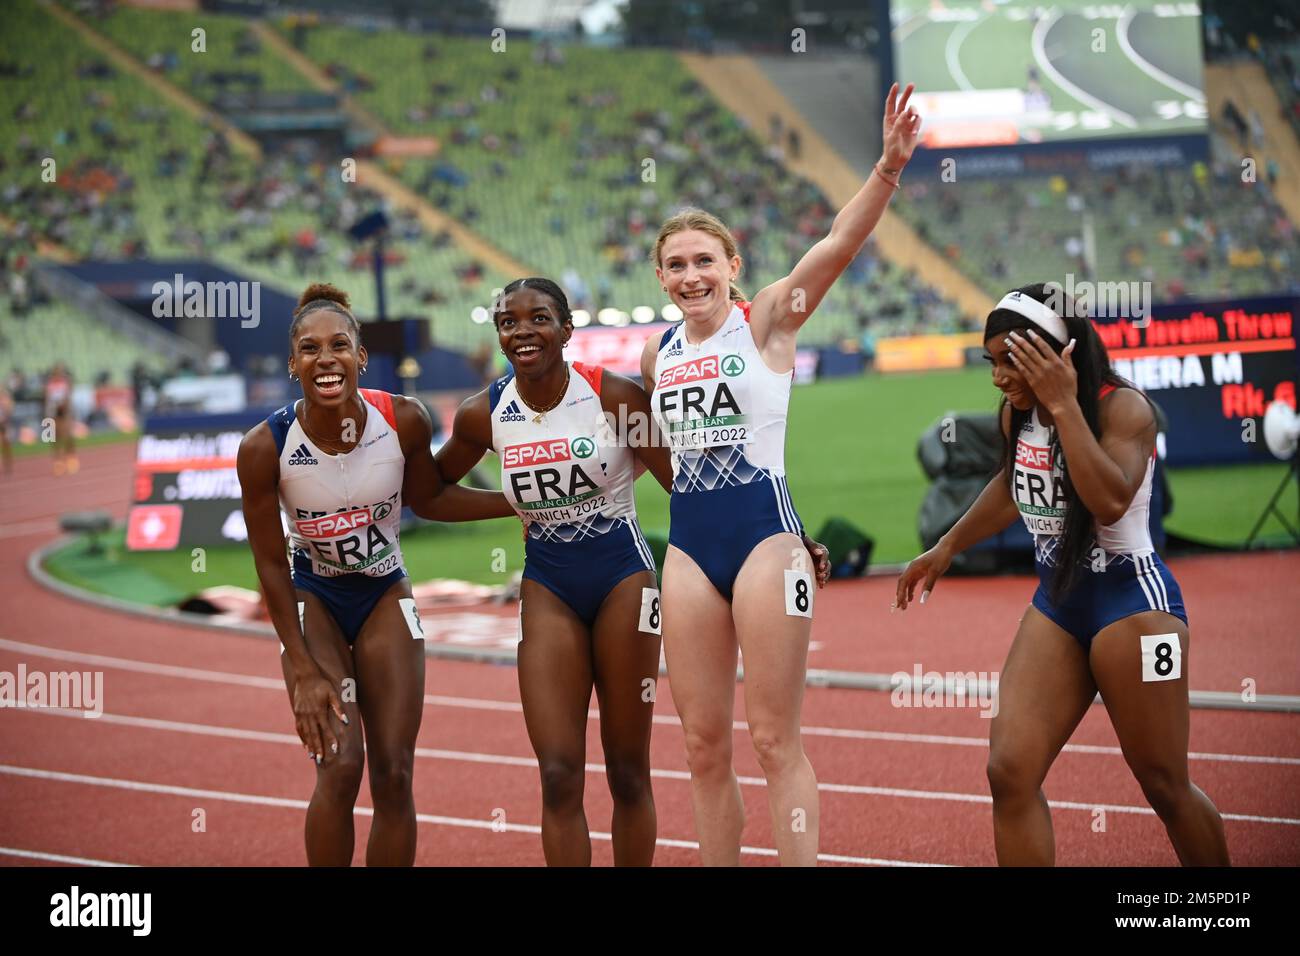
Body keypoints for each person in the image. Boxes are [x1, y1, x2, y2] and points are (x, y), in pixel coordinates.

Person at [435, 277, 833, 865]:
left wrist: (782, 533)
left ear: (567, 330)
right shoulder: (484, 413)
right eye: (509, 321)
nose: (524, 331)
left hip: (624, 577)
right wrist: (513, 504)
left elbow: (686, 479)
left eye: (539, 318)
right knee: (559, 773)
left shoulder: (615, 397)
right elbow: (430, 491)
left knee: (626, 769)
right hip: (547, 584)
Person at [640, 83, 921, 866]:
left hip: (767, 543)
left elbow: (835, 246)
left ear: (732, 266)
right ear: (660, 278)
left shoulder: (766, 318)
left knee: (771, 737)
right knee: (700, 743)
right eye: (675, 266)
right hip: (691, 551)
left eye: (704, 261)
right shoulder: (654, 354)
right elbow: (664, 452)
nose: (691, 275)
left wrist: (888, 171)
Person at [895, 283, 1230, 866]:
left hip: (1135, 608)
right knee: (1010, 770)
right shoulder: (1015, 415)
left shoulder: (1126, 410)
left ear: (1058, 353)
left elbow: (1107, 501)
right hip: (1059, 600)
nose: (999, 377)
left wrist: (1065, 405)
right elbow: (1010, 483)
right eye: (992, 362)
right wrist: (947, 545)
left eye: (1012, 360)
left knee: (1163, 785)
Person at [236, 282, 515, 866]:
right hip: (316, 598)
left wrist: (516, 503)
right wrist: (303, 668)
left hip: (387, 590)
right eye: (309, 350)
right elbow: (268, 563)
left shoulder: (404, 420)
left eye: (339, 346)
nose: (326, 359)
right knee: (339, 769)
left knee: (393, 774)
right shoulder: (264, 448)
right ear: (293, 364)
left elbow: (429, 498)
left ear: (360, 357)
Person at [44, 363, 76, 475]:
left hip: (64, 411)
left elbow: (68, 397)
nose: (59, 374)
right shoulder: (49, 384)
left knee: (67, 436)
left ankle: (71, 459)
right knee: (54, 438)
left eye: (61, 372)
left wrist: (65, 408)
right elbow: (47, 398)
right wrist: (48, 412)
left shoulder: (65, 383)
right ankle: (58, 463)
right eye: (57, 372)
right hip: (53, 412)